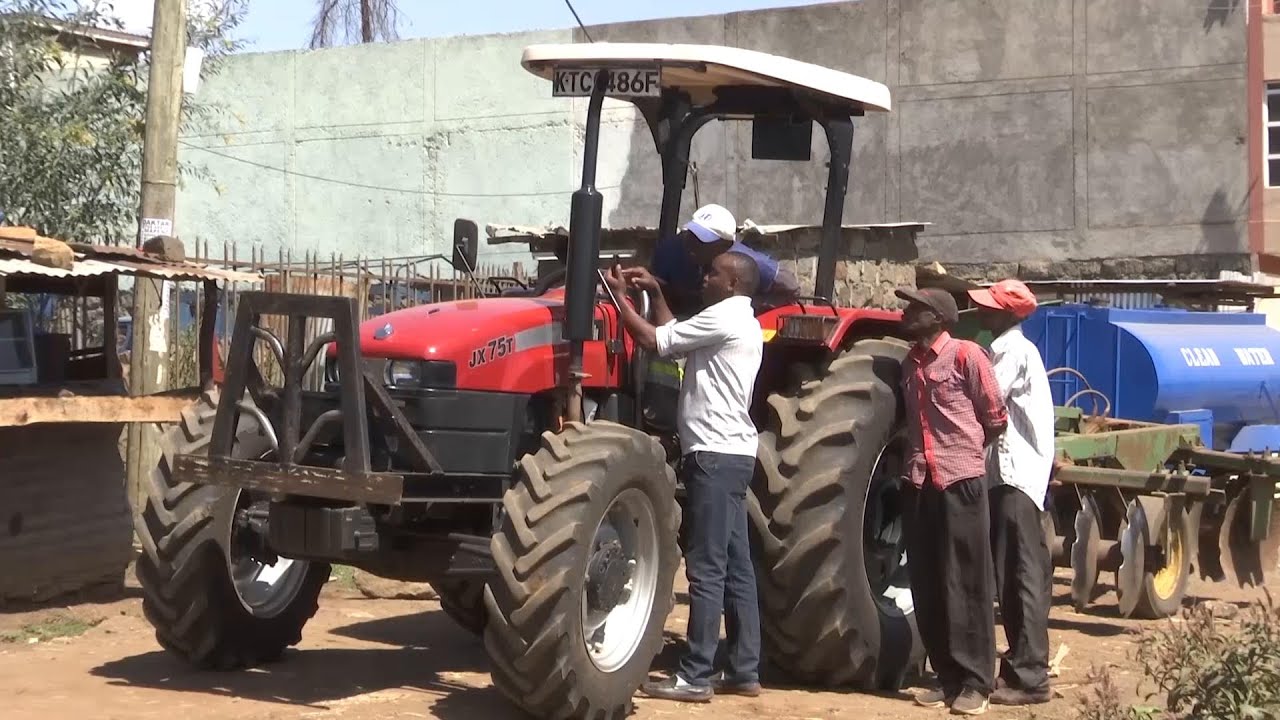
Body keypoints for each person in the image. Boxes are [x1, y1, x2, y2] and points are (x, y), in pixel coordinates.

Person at [602, 252, 764, 703]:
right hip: (733, 455)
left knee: (706, 567)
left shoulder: (723, 319)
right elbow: (675, 334)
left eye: (713, 273)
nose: (705, 277)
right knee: (736, 566)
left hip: (712, 455)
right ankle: (745, 669)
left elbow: (655, 341)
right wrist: (654, 293)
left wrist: (620, 301)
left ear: (732, 283)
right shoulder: (740, 319)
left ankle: (695, 675)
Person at [895, 286, 1008, 716]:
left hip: (960, 479)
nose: (906, 313)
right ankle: (946, 679)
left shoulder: (966, 355)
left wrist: (962, 450)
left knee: (967, 582)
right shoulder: (909, 364)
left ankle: (977, 682)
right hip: (919, 481)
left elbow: (995, 417)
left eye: (915, 309)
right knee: (928, 580)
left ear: (938, 318)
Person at [967, 279, 1055, 706]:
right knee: (1015, 574)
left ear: (1007, 314)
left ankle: (1031, 676)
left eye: (988, 308)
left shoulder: (1010, 351)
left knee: (1021, 576)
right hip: (1009, 476)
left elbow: (984, 400)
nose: (981, 314)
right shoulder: (1008, 347)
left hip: (1015, 476)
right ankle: (1021, 666)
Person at [651, 203, 798, 316]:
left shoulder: (747, 263)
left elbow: (792, 288)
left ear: (725, 245)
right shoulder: (671, 250)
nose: (692, 243)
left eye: (702, 240)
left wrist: (750, 304)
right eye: (692, 234)